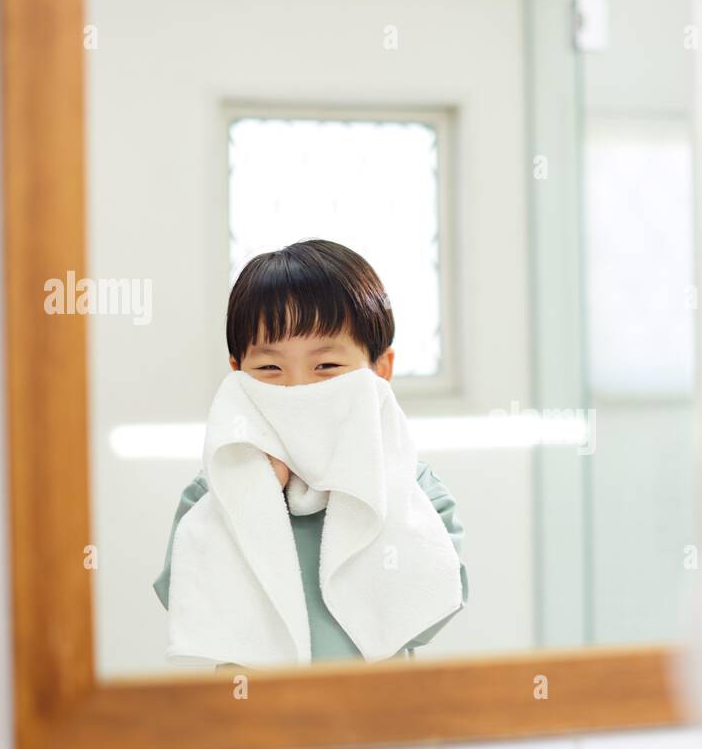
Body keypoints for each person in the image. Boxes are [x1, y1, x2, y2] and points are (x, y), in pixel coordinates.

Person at [153, 240, 468, 663]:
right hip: (254, 716)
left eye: (327, 367)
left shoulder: (409, 484)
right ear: (236, 375)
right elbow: (189, 598)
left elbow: (436, 604)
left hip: (378, 719)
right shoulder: (218, 486)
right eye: (269, 368)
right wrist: (253, 495)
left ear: (381, 370)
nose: (298, 389)